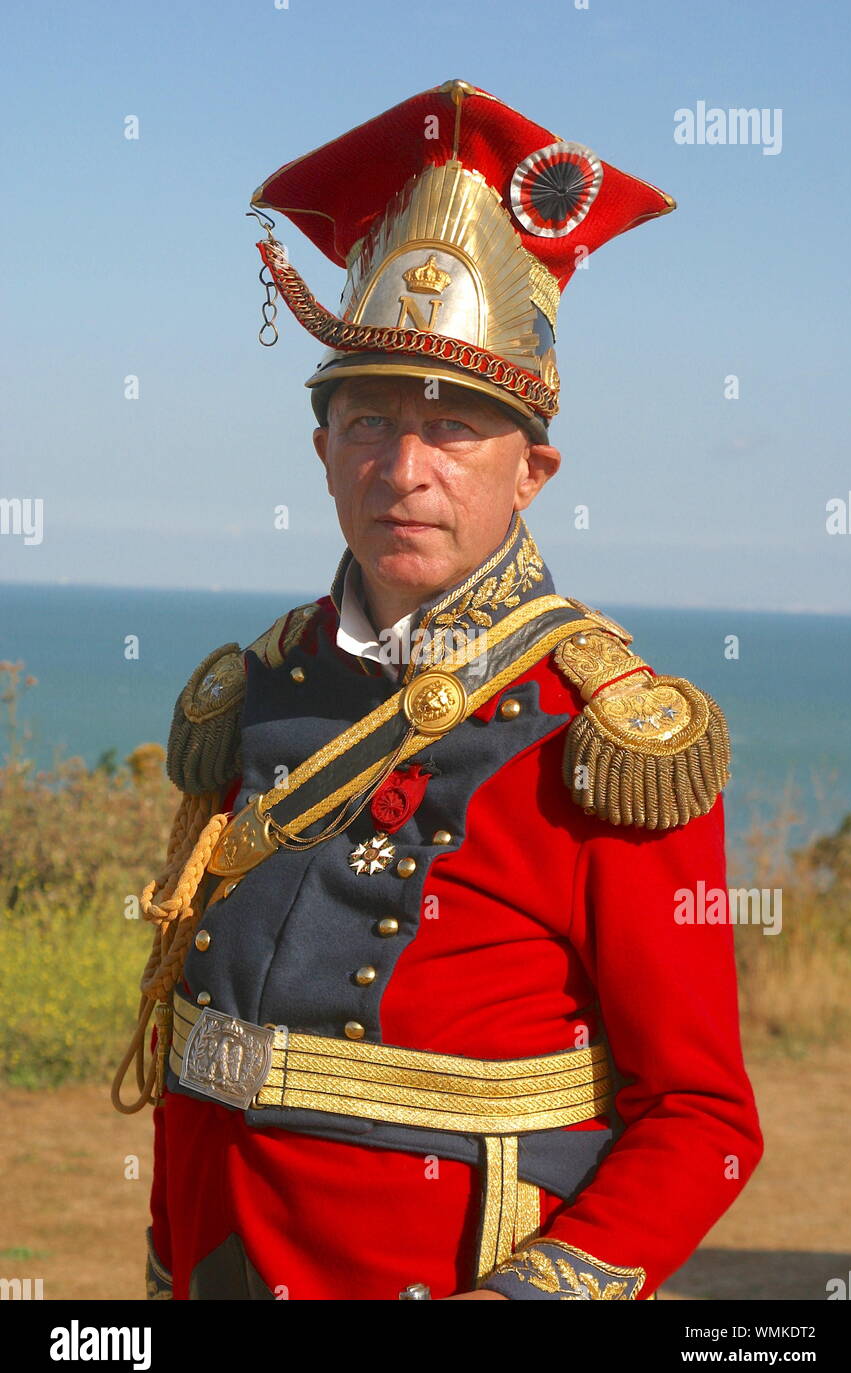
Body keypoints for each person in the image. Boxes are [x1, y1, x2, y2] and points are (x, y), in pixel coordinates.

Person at [113, 78, 763, 1302]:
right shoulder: (252, 687)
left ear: (532, 469)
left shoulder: (601, 732)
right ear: (320, 449)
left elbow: (702, 1116)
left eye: (454, 428)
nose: (402, 469)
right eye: (367, 420)